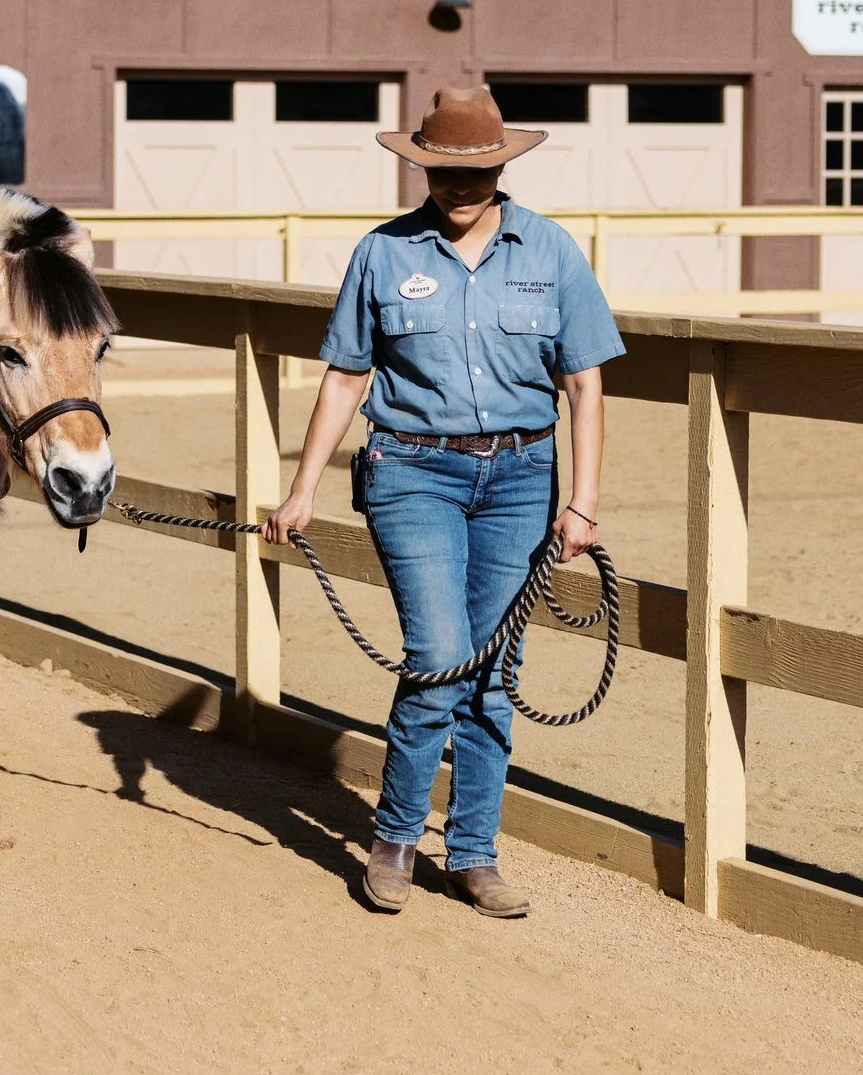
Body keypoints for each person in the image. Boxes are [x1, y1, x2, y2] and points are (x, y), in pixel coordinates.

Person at [262, 87, 621, 918]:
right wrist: (303, 489)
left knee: (494, 671)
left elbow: (584, 384)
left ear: (502, 168)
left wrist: (583, 501)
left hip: (522, 478)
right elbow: (346, 377)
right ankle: (394, 839)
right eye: (443, 172)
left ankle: (473, 852)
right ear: (419, 168)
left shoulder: (552, 251)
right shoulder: (383, 254)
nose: (461, 187)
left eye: (479, 172)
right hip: (411, 472)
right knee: (438, 656)